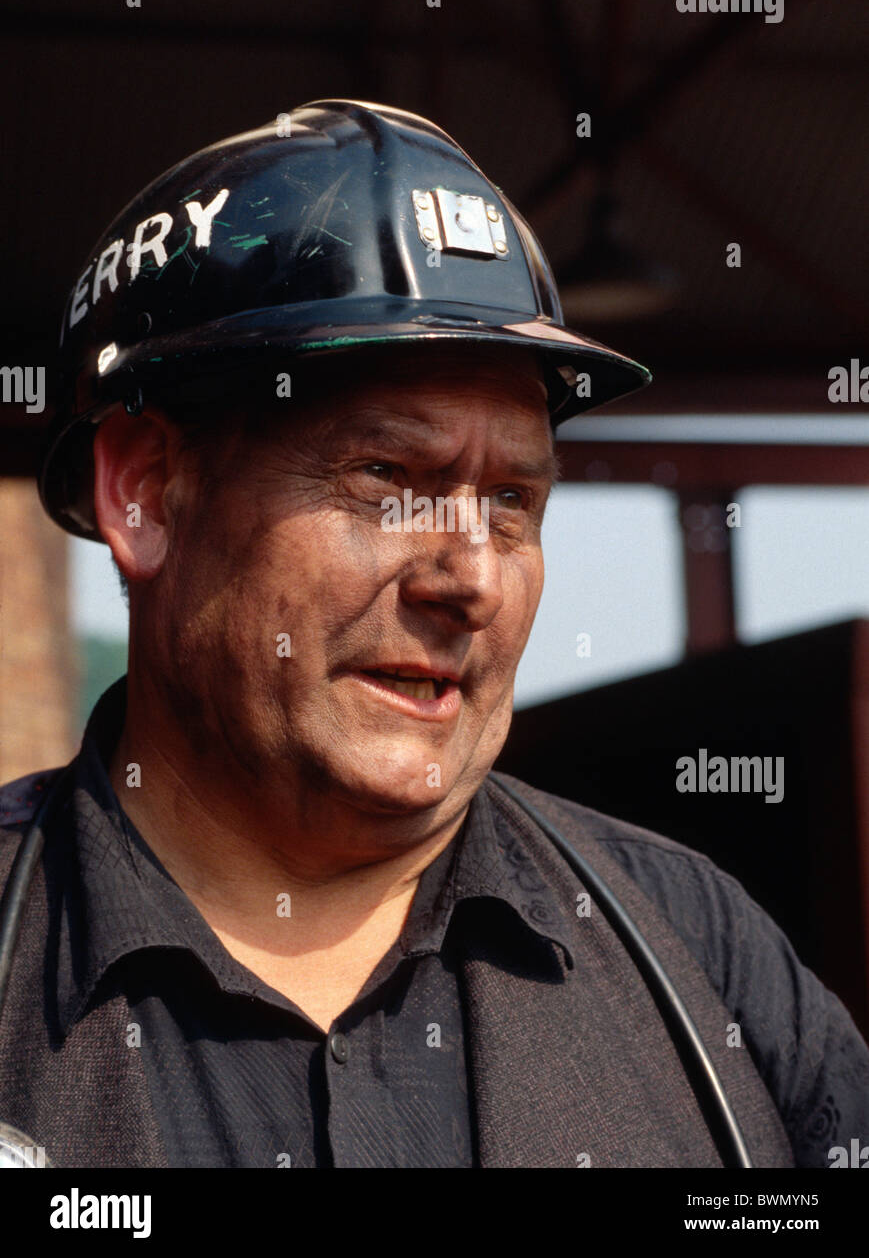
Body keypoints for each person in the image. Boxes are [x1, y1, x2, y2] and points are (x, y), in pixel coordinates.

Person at [0, 100, 866, 1169]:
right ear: (145, 492)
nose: (470, 579)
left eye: (510, 500)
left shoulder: (697, 946)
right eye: (385, 479)